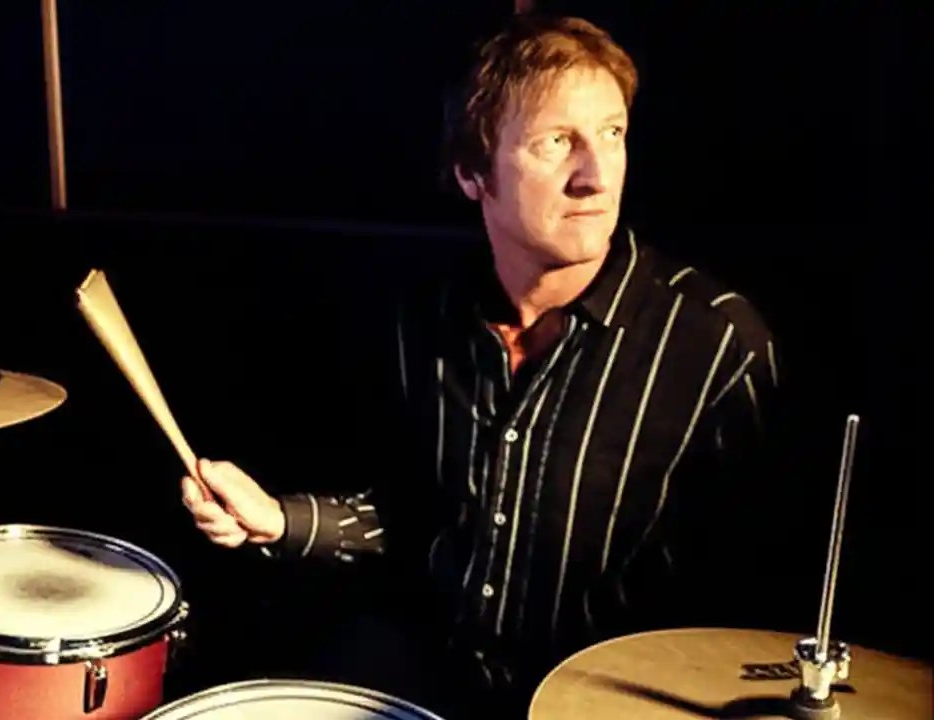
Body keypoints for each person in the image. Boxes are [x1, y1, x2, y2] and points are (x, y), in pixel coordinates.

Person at [181, 14, 797, 716]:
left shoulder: (718, 344)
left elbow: (755, 597)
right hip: (437, 682)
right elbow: (412, 519)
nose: (596, 176)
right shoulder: (424, 319)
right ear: (472, 173)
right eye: (557, 142)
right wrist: (276, 519)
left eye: (612, 133)